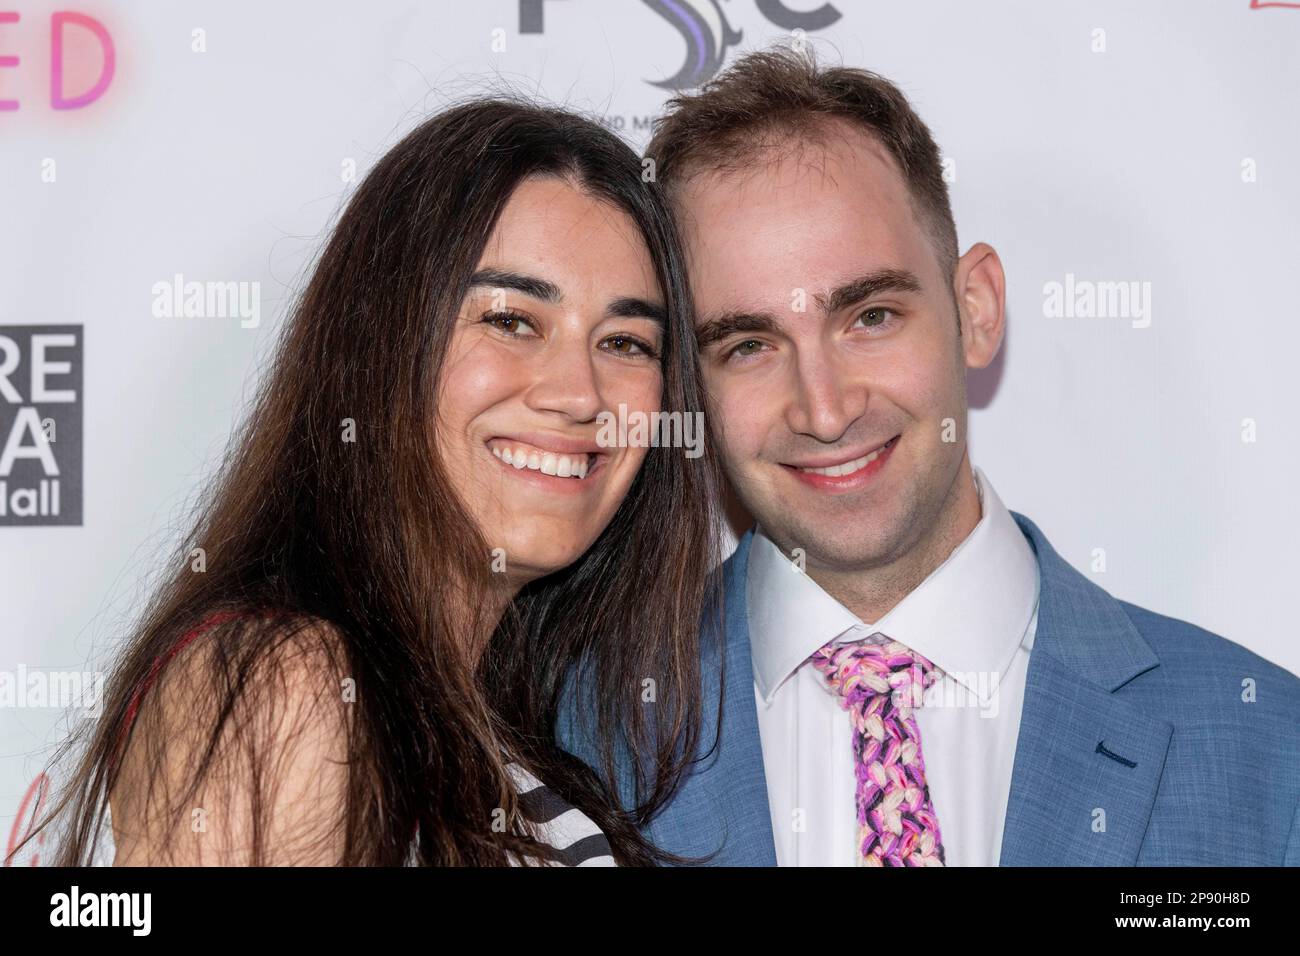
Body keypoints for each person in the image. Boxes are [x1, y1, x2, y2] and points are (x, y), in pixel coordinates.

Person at [561, 47, 1300, 866]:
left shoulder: (1267, 747)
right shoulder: (567, 740)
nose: (827, 409)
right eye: (748, 345)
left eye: (870, 316)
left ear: (974, 309)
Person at [11, 98, 724, 867]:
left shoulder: (497, 733)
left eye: (624, 341)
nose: (579, 394)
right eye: (511, 320)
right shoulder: (287, 686)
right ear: (380, 343)